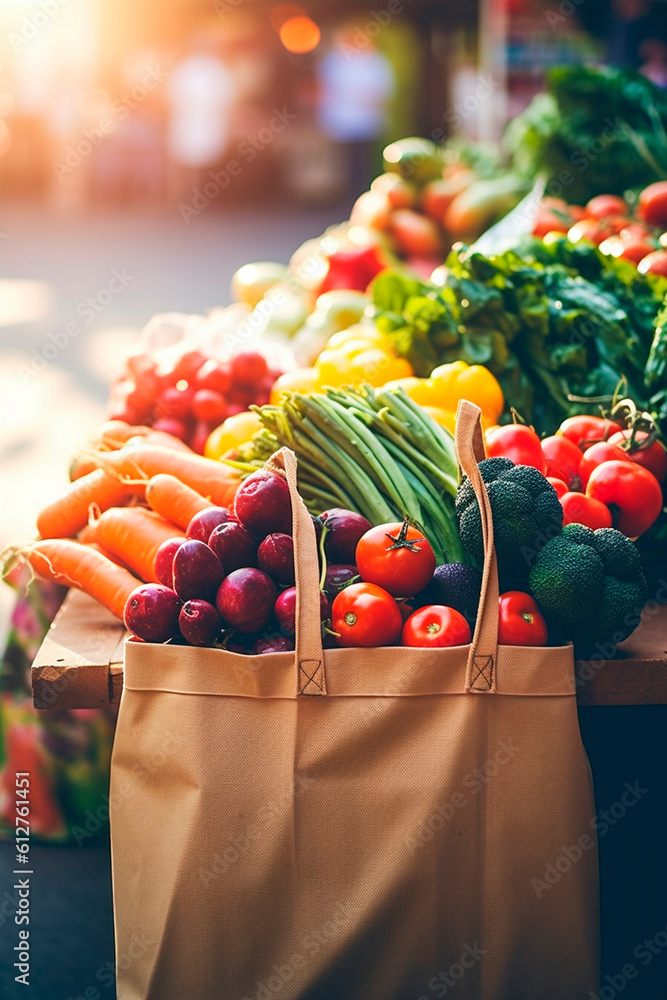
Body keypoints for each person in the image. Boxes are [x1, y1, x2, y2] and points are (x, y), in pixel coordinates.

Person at [317, 26, 394, 201]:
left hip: (367, 119)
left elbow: (382, 91)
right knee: (346, 161)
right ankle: (349, 195)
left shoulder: (374, 62)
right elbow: (328, 90)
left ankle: (367, 193)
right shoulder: (335, 62)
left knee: (366, 160)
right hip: (343, 121)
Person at [166, 36, 236, 201]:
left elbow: (171, 95)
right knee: (188, 157)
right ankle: (191, 194)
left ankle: (187, 194)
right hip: (193, 120)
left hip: (199, 120)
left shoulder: (189, 67)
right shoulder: (212, 68)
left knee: (191, 158)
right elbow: (228, 96)